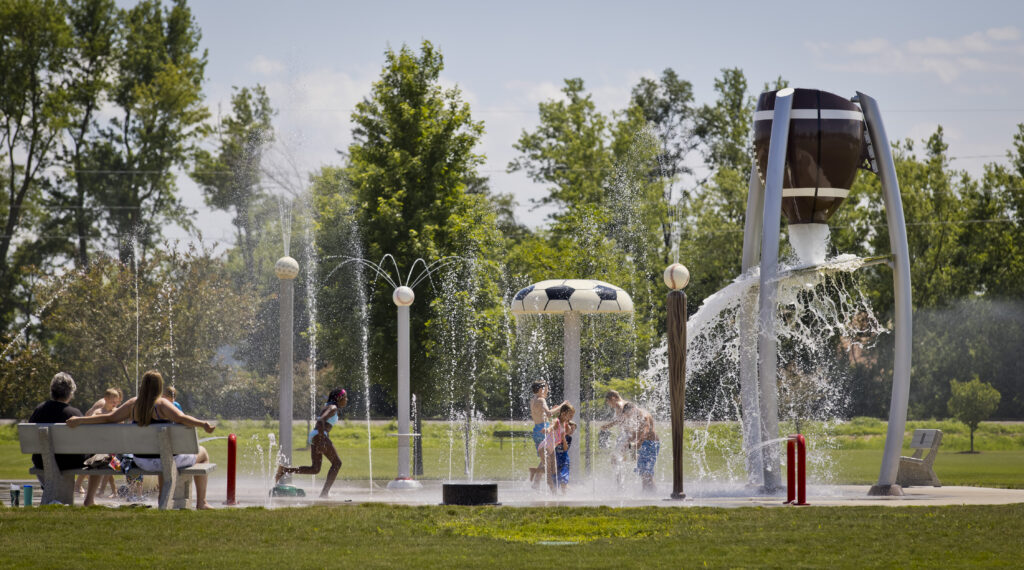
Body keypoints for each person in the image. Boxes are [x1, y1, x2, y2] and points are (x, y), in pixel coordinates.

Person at [67, 370, 216, 509]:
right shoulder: (162, 404)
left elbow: (109, 418)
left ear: (143, 386)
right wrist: (203, 424)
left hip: (142, 461)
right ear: (159, 387)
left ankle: (163, 499)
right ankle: (201, 502)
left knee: (162, 458)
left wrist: (81, 420)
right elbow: (181, 418)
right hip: (165, 460)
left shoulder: (133, 404)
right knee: (202, 453)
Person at [28, 372, 102, 504]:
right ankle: (89, 499)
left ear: (52, 391)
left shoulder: (38, 410)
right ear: (70, 393)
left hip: (42, 461)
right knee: (100, 457)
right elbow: (84, 442)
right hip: (68, 462)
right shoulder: (73, 414)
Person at [275, 388, 347, 498]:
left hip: (316, 435)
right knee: (337, 463)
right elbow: (321, 420)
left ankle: (284, 470)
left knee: (315, 469)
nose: (346, 399)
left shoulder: (329, 406)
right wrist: (322, 440)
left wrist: (323, 438)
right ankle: (324, 494)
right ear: (339, 398)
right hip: (319, 436)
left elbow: (323, 422)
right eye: (345, 397)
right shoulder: (333, 407)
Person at [600, 390, 660, 493]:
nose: (628, 418)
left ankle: (650, 493)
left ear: (632, 410)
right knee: (643, 473)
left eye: (628, 416)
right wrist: (628, 442)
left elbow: (645, 430)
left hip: (650, 444)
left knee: (646, 473)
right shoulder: (635, 413)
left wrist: (637, 443)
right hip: (645, 444)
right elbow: (635, 432)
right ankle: (647, 493)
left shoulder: (643, 415)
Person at [76, 387, 123, 496]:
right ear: (105, 399)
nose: (115, 404)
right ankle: (110, 491)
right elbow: (92, 420)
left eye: (116, 402)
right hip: (101, 448)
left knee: (110, 462)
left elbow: (121, 425)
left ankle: (107, 490)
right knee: (105, 462)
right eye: (113, 402)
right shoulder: (98, 411)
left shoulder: (116, 412)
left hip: (111, 448)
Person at [528, 381, 567, 487]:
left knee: (544, 458)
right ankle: (550, 486)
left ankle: (536, 483)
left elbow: (542, 413)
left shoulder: (533, 400)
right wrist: (563, 405)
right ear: (541, 389)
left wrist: (554, 409)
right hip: (544, 430)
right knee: (549, 461)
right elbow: (548, 414)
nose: (548, 391)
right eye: (546, 388)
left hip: (536, 430)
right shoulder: (541, 400)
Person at [537, 403, 575, 493]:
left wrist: (568, 430)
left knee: (554, 472)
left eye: (572, 416)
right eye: (570, 415)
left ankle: (553, 491)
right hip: (544, 448)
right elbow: (551, 427)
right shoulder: (557, 421)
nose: (571, 418)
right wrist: (547, 430)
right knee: (549, 472)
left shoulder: (566, 425)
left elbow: (569, 432)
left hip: (550, 450)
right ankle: (553, 494)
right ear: (563, 413)